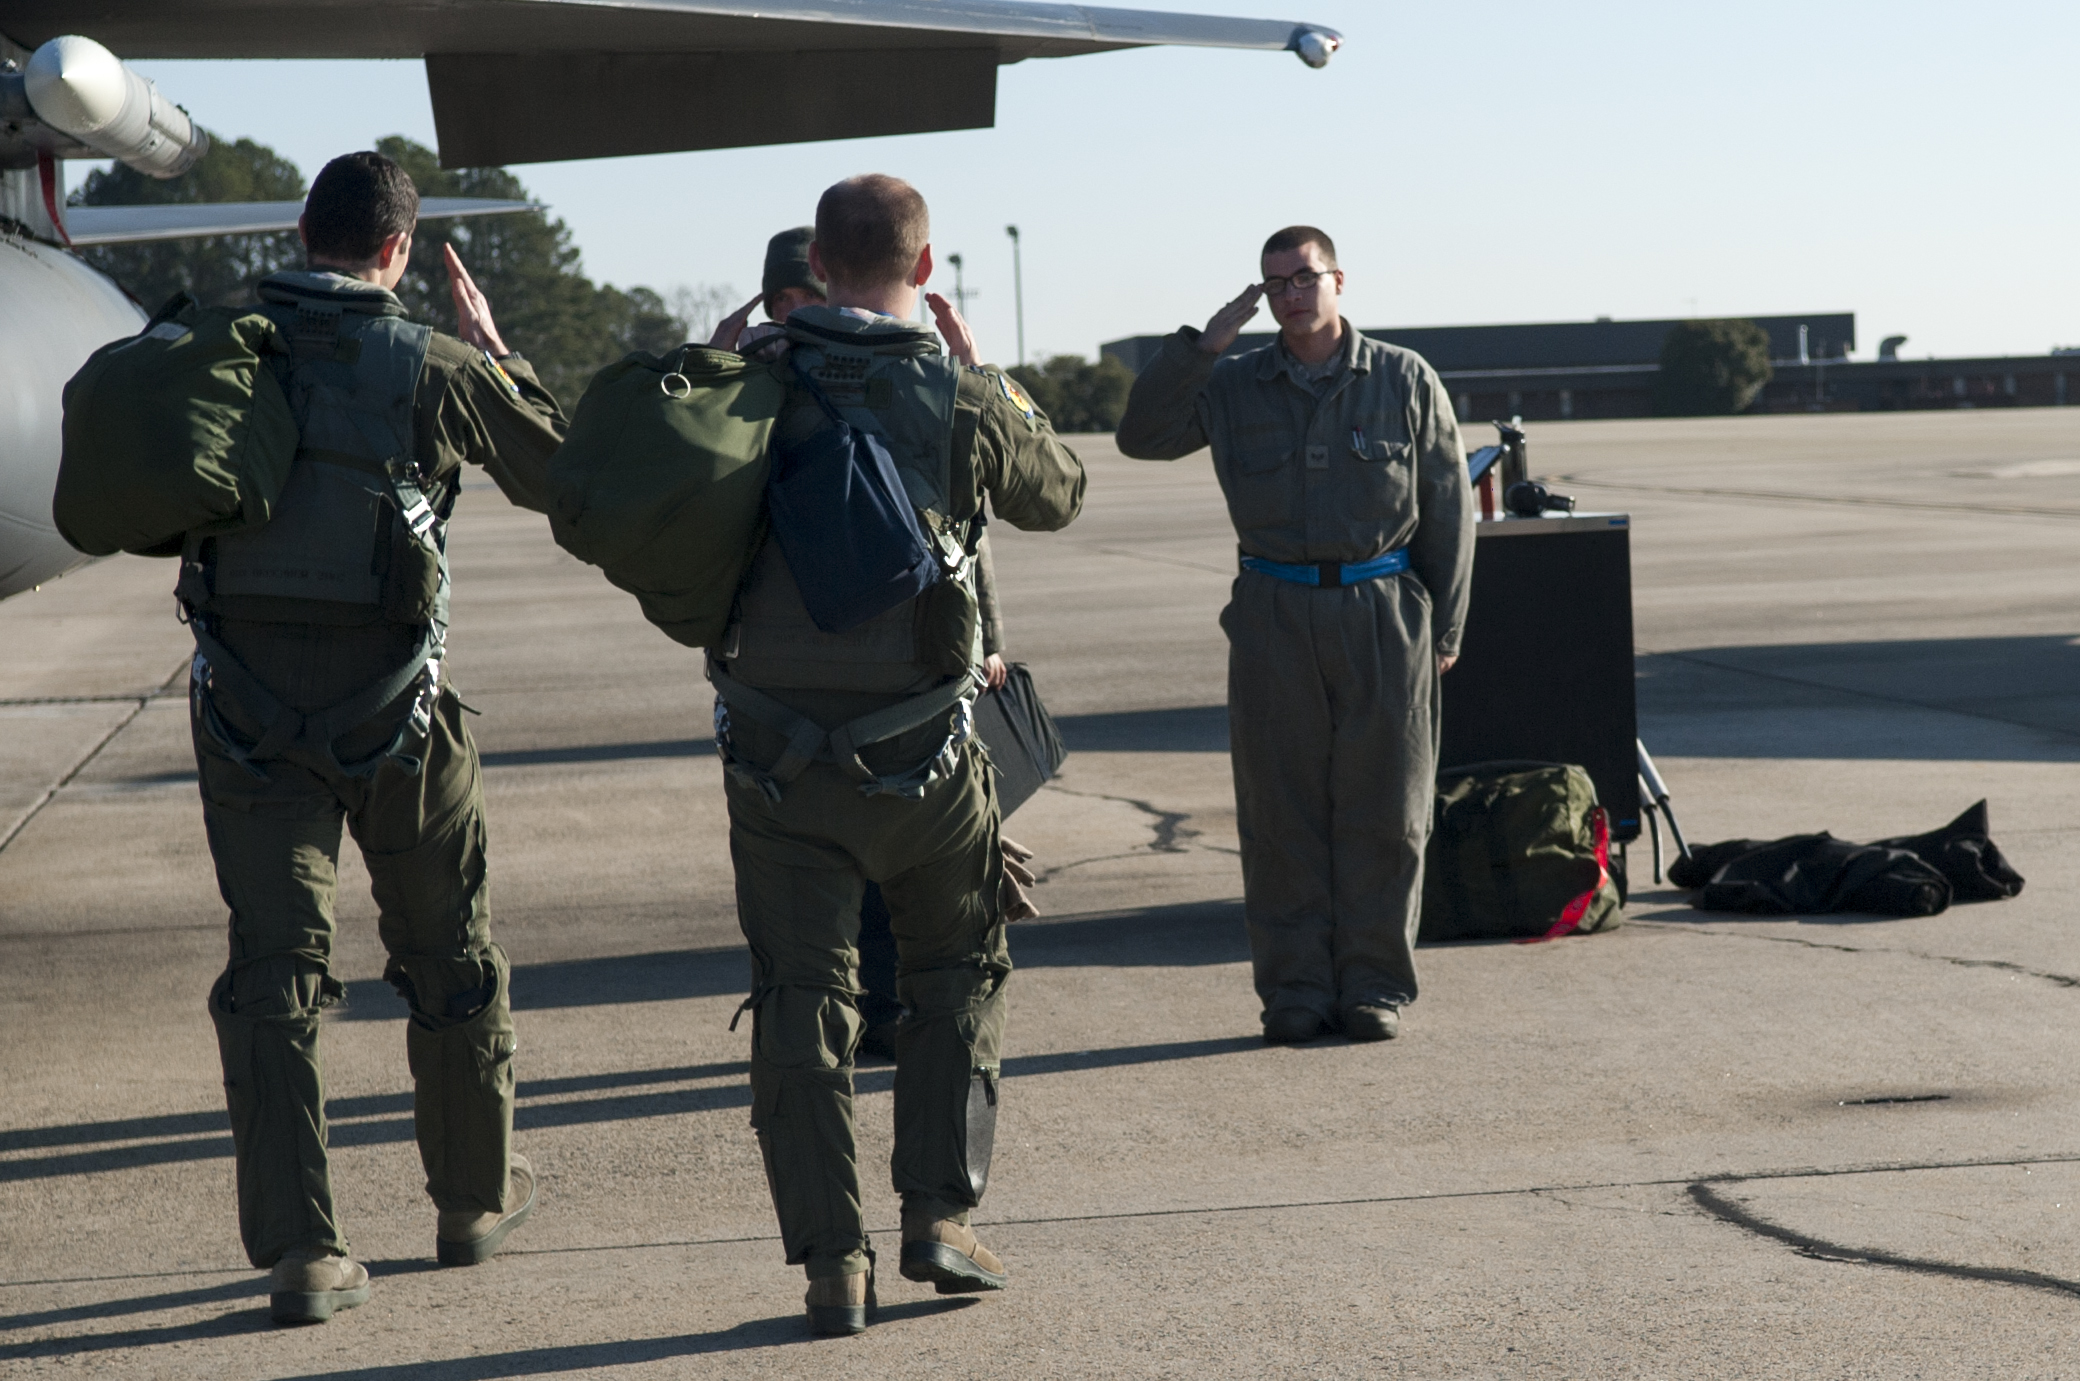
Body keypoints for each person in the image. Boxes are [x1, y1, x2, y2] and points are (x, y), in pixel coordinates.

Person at [180, 151, 568, 1325]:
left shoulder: (219, 347)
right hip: (400, 719)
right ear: (398, 249)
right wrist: (498, 354)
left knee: (274, 971)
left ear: (301, 231)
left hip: (247, 719)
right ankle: (472, 1200)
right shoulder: (437, 366)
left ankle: (303, 1250)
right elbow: (568, 478)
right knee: (450, 951)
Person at [707, 174, 1084, 1335]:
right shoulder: (959, 393)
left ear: (815, 264)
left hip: (776, 762)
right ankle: (937, 1217)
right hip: (927, 760)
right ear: (924, 269)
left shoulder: (748, 385)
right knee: (955, 974)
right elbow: (1059, 492)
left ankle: (831, 1262)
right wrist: (987, 374)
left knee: (799, 998)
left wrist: (707, 367)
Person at [1114, 225, 1473, 1046]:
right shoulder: (1234, 382)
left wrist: (1445, 627)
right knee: (1280, 816)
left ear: (1339, 280)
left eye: (1305, 277)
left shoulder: (1403, 378)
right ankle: (1295, 991)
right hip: (1274, 613)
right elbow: (1142, 436)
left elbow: (1448, 508)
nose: (1292, 295)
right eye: (1276, 284)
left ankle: (1375, 985)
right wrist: (1202, 348)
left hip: (1382, 611)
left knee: (1387, 810)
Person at [715, 224, 1018, 1063]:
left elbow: (967, 537)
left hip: (901, 685)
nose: (797, 311)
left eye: (805, 295)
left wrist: (989, 636)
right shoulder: (752, 388)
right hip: (790, 688)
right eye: (782, 301)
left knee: (894, 881)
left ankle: (881, 1011)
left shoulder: (900, 384)